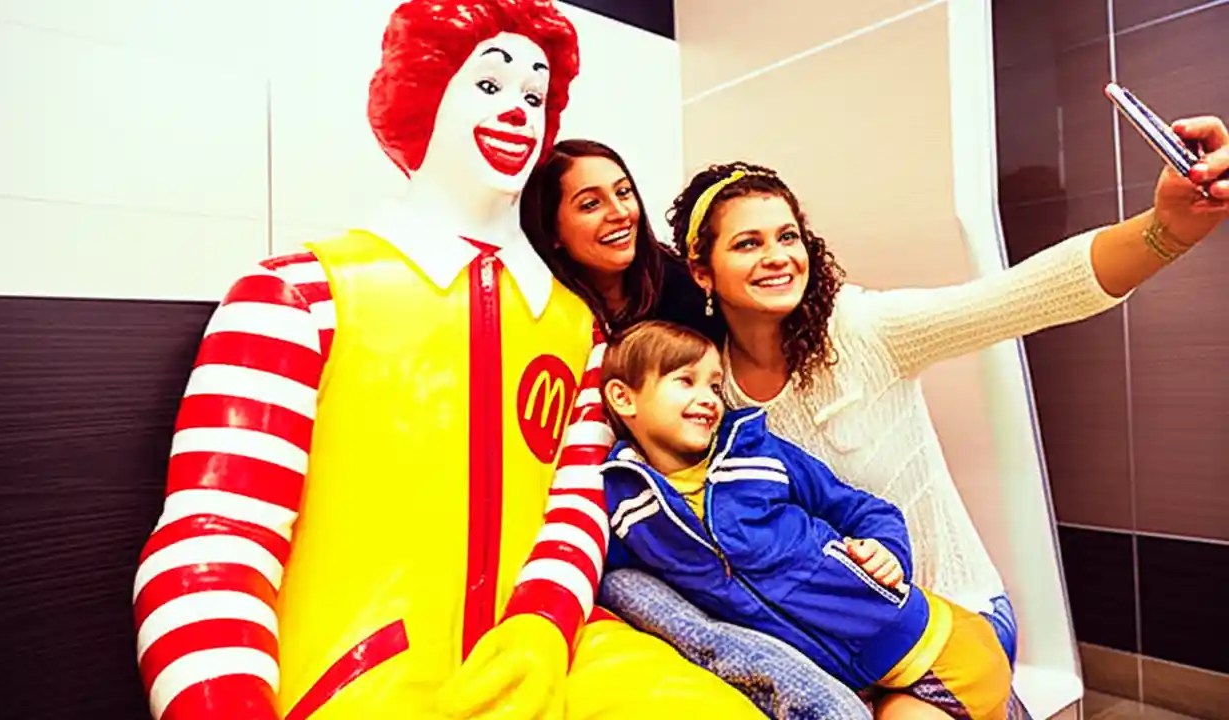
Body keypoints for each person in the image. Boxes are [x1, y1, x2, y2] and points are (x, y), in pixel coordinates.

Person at [130, 1, 762, 718]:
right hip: (354, 673)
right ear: (423, 92)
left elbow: (575, 500)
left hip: (557, 649)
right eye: (489, 85)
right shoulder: (297, 297)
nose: (518, 111)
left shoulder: (574, 325)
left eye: (534, 95)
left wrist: (541, 626)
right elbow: (214, 540)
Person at [664, 116, 1229, 658]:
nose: (778, 258)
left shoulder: (861, 330)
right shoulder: (711, 390)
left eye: (788, 236)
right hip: (844, 644)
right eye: (748, 244)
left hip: (955, 614)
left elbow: (1022, 297)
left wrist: (1168, 230)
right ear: (701, 270)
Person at [599, 320, 1013, 720]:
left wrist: (886, 549)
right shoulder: (626, 507)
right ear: (623, 397)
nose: (709, 398)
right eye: (686, 381)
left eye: (715, 385)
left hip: (937, 645)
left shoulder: (756, 455)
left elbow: (863, 509)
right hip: (868, 690)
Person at [522, 138, 724, 342]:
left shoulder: (685, 292)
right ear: (551, 231)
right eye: (591, 204)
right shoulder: (532, 311)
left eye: (623, 192)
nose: (620, 212)